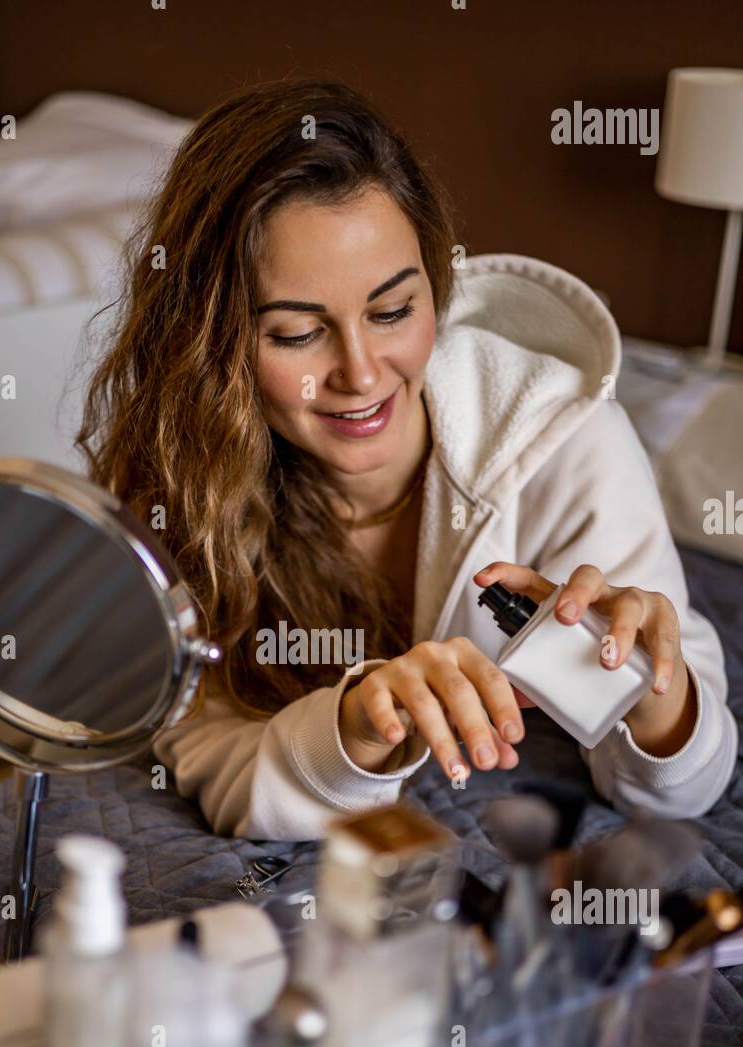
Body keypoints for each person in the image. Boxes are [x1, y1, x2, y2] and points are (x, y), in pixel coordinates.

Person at [77, 79, 737, 840]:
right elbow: (212, 759)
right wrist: (358, 728)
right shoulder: (182, 483)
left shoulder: (564, 437)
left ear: (436, 286)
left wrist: (654, 694)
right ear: (211, 341)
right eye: (297, 333)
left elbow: (685, 792)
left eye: (392, 311)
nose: (361, 374)